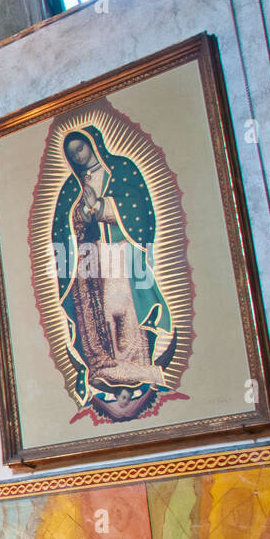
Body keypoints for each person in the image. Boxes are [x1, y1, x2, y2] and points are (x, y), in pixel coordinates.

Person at [55, 127, 173, 420]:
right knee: (98, 317)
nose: (78, 157)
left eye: (80, 149)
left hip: (120, 251)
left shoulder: (122, 169)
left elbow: (138, 209)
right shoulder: (72, 186)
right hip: (91, 259)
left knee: (125, 311)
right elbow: (63, 226)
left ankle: (134, 368)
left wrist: (102, 207)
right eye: (72, 155)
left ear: (93, 144)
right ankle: (104, 367)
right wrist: (81, 215)